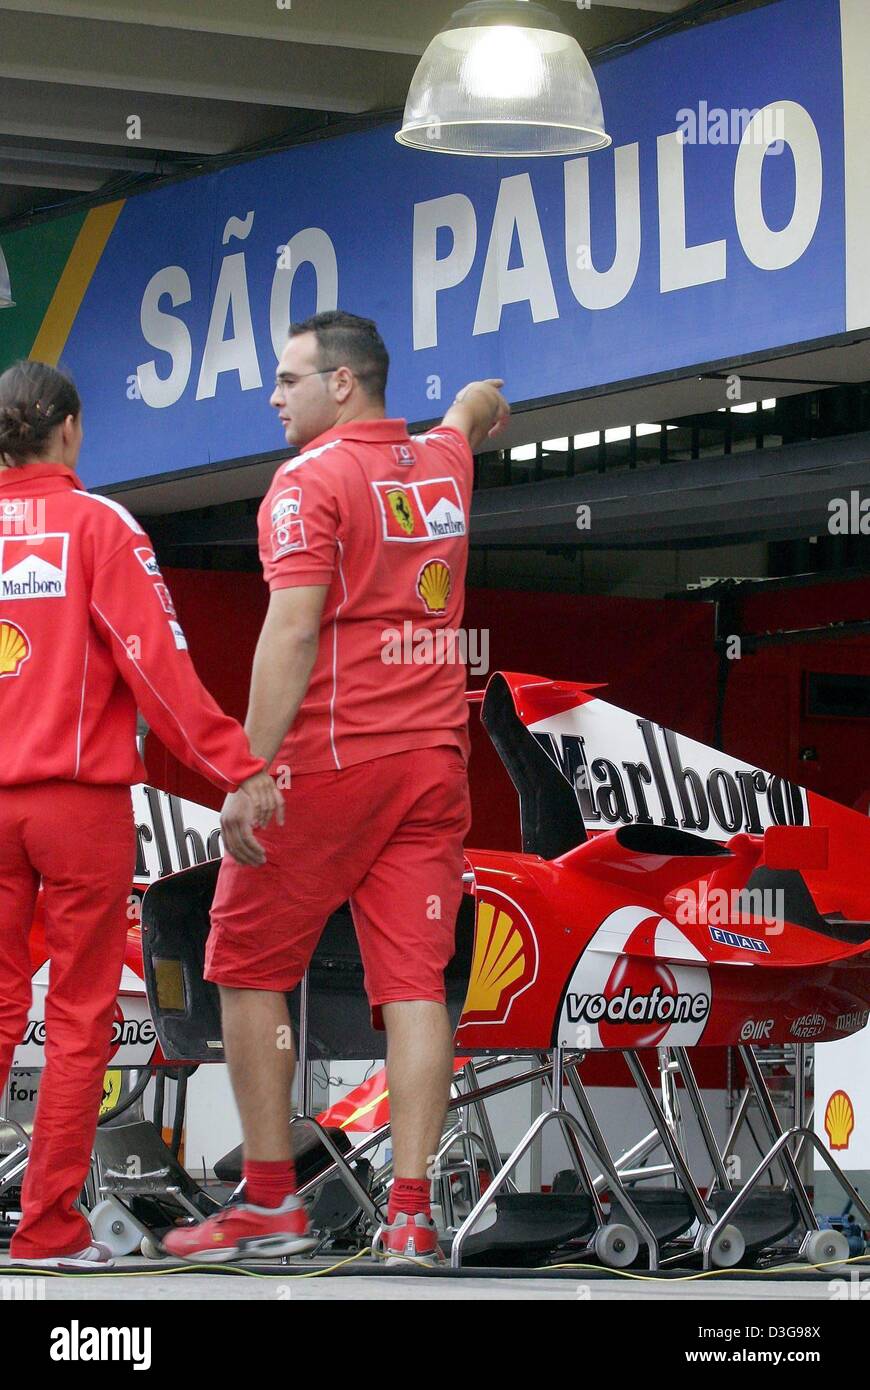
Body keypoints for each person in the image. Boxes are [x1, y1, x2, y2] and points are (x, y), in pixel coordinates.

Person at [163, 310, 509, 1266]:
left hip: (328, 764)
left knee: (242, 967)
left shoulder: (306, 482)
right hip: (435, 766)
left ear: (343, 384)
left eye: (288, 379)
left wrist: (247, 768)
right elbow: (471, 413)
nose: (274, 397)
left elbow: (291, 630)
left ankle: (271, 1203)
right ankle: (408, 1215)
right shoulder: (443, 465)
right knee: (414, 990)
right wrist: (483, 402)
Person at [0, 360, 281, 1270]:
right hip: (77, 808)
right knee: (81, 1016)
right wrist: (239, 770)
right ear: (72, 429)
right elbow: (157, 672)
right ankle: (47, 1234)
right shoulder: (99, 525)